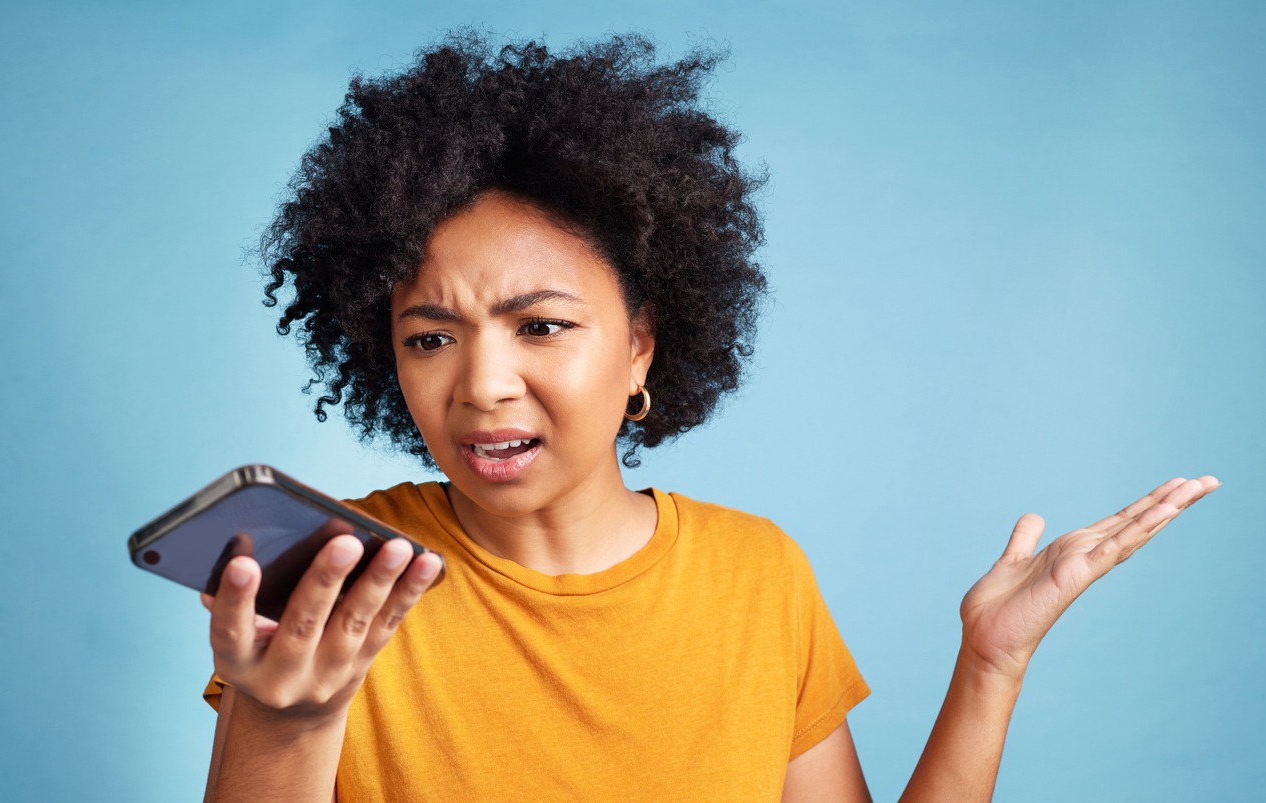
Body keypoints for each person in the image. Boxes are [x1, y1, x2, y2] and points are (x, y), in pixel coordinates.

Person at [199, 33, 1218, 802]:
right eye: (429, 338)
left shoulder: (756, 574)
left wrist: (990, 664)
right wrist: (295, 709)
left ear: (641, 344)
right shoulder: (341, 576)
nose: (481, 383)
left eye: (541, 325)